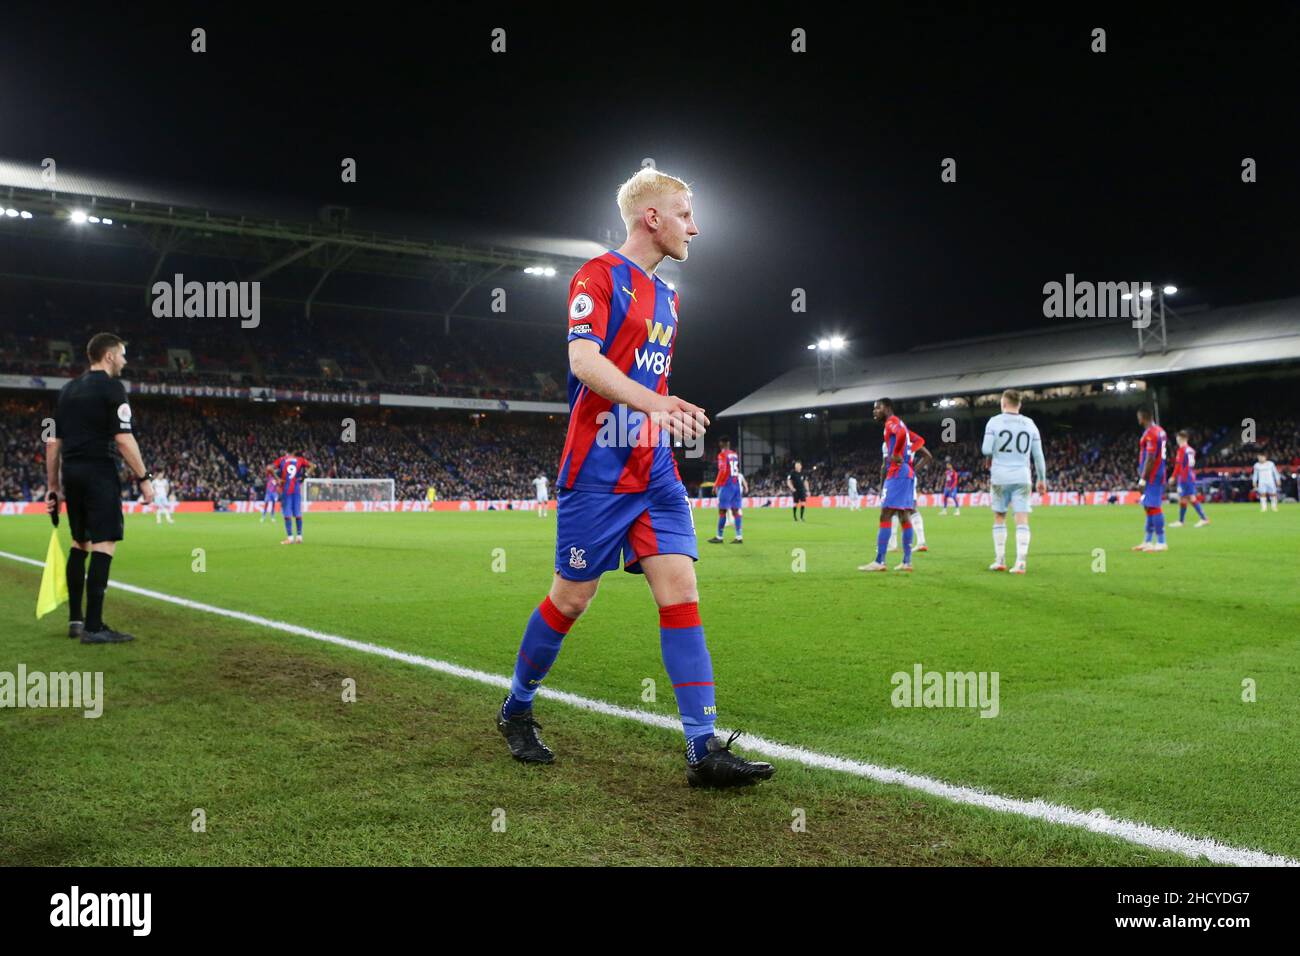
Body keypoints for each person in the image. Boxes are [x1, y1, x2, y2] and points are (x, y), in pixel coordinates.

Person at [495, 167, 773, 788]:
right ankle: (515, 710)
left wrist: (666, 411)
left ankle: (703, 747)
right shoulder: (596, 278)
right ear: (653, 217)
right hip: (597, 470)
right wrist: (654, 404)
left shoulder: (669, 299)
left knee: (682, 595)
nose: (694, 227)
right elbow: (583, 361)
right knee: (573, 598)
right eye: (684, 214)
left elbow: (650, 384)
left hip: (655, 472)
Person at [44, 332, 155, 643]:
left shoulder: (66, 390)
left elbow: (52, 441)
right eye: (122, 354)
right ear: (108, 356)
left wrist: (53, 486)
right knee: (104, 543)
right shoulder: (113, 388)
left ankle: (76, 620)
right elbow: (123, 438)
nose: (124, 360)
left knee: (80, 543)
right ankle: (94, 627)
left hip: (72, 474)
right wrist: (144, 478)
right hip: (99, 472)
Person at [981, 389, 1047, 573]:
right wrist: (1042, 479)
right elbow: (1038, 456)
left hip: (1000, 477)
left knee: (999, 516)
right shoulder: (1030, 424)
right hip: (1022, 477)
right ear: (1019, 405)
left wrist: (994, 451)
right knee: (1022, 518)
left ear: (1003, 403)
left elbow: (986, 449)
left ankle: (1000, 560)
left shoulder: (994, 422)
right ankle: (1020, 562)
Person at [858, 398, 918, 572]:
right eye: (874, 409)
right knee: (903, 516)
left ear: (888, 408)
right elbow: (912, 438)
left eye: (878, 408)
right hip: (906, 471)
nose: (875, 411)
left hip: (897, 472)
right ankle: (907, 561)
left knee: (885, 515)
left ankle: (880, 561)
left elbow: (899, 433)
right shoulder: (900, 422)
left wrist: (897, 452)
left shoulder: (892, 422)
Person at [1133, 407, 1168, 552]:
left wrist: (1143, 479)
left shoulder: (1151, 434)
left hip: (1152, 475)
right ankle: (1147, 541)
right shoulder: (1159, 430)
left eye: (1138, 416)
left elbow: (1151, 458)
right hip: (1155, 473)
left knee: (1154, 506)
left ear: (1142, 417)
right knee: (1148, 506)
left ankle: (1161, 542)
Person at [269, 451, 313, 544]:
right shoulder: (300, 460)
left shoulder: (282, 460)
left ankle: (290, 538)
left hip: (286, 489)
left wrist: (277, 479)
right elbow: (313, 466)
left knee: (287, 514)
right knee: (298, 513)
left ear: (288, 453)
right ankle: (299, 537)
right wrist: (305, 476)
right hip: (297, 489)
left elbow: (269, 468)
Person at [707, 438, 746, 543]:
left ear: (721, 443)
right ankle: (739, 537)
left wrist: (716, 485)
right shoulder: (734, 454)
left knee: (722, 510)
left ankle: (719, 537)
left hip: (727, 485)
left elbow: (723, 470)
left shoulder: (722, 455)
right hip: (736, 485)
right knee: (736, 511)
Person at [1168, 430, 1209, 527]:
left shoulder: (1182, 450)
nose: (1177, 440)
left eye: (1178, 438)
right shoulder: (1190, 450)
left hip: (1184, 476)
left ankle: (1204, 519)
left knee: (1190, 497)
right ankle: (1181, 521)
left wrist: (1173, 476)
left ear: (1182, 438)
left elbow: (1179, 465)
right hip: (1190, 475)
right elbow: (1191, 464)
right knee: (1183, 498)